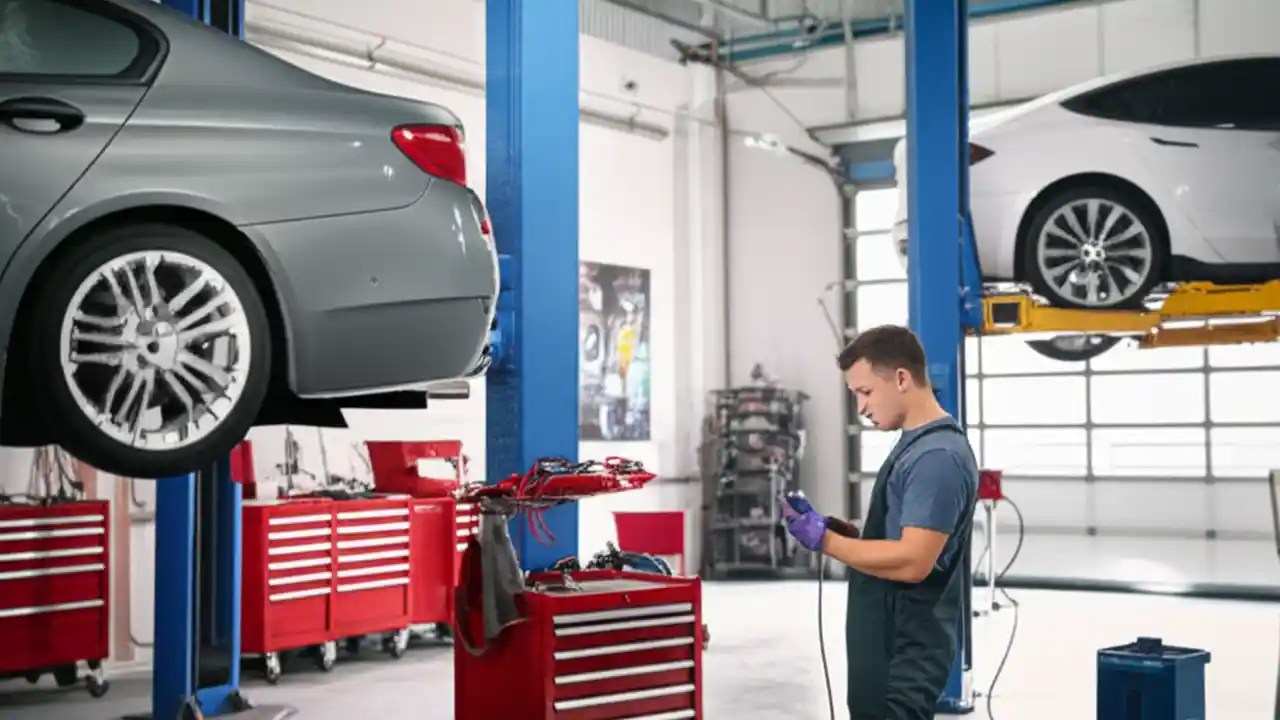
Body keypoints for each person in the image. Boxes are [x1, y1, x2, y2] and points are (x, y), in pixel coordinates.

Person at [782, 324, 979, 720]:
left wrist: (824, 541)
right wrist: (847, 531)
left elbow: (913, 561)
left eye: (865, 392)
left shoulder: (936, 458)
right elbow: (901, 532)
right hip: (886, 650)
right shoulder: (916, 446)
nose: (861, 408)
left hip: (902, 656)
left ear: (902, 379)